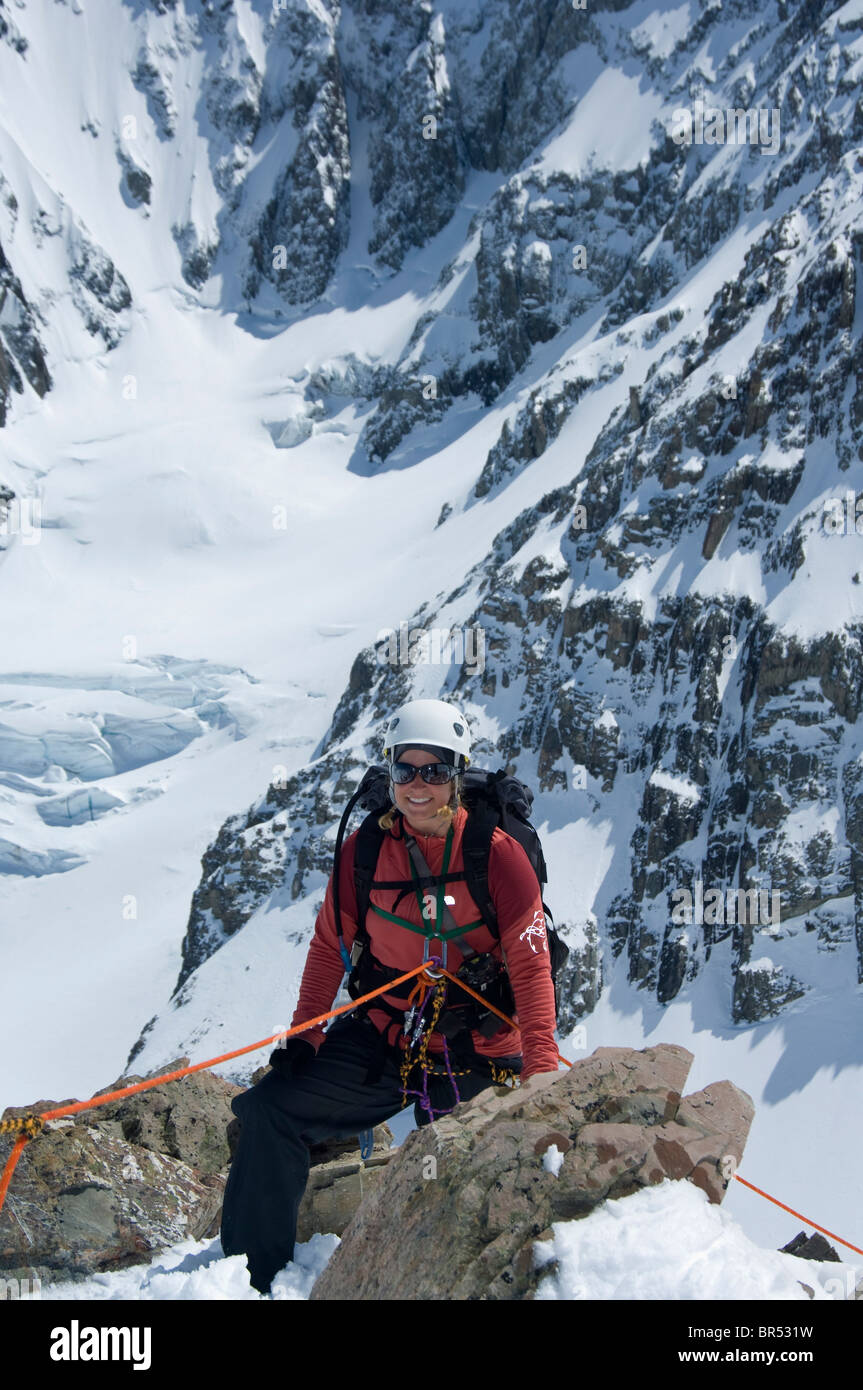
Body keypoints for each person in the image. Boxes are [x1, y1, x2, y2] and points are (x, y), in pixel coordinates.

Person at [219, 697, 558, 1294]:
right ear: (389, 774)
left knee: (465, 1178)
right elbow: (329, 948)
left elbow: (531, 972)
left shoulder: (497, 857)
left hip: (474, 1051)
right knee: (270, 1109)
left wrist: (542, 1076)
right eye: (406, 769)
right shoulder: (366, 852)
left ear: (456, 774)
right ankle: (250, 1280)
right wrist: (306, 1038)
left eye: (434, 770)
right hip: (386, 1037)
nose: (419, 785)